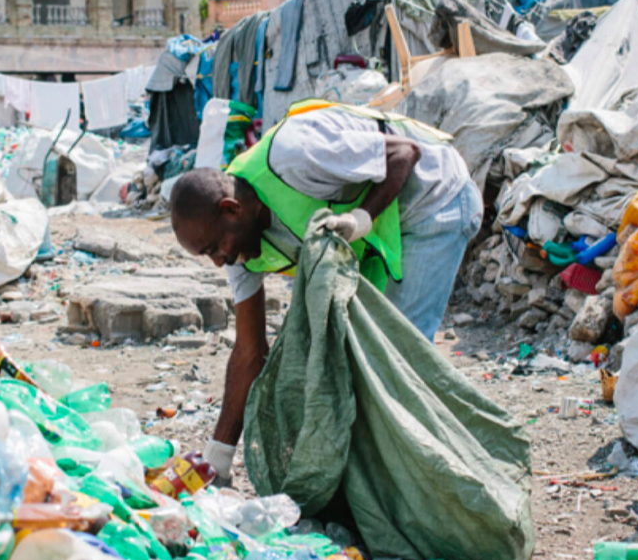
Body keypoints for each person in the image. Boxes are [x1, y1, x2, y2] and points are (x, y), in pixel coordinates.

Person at [169, 100, 482, 484]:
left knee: (397, 359)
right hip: (378, 240)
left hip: (433, 200)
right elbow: (250, 352)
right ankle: (375, 484)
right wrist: (216, 460)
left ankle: (432, 486)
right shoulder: (238, 250)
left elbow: (404, 152)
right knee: (352, 363)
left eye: (214, 248)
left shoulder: (293, 156)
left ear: (232, 210)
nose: (220, 261)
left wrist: (361, 217)